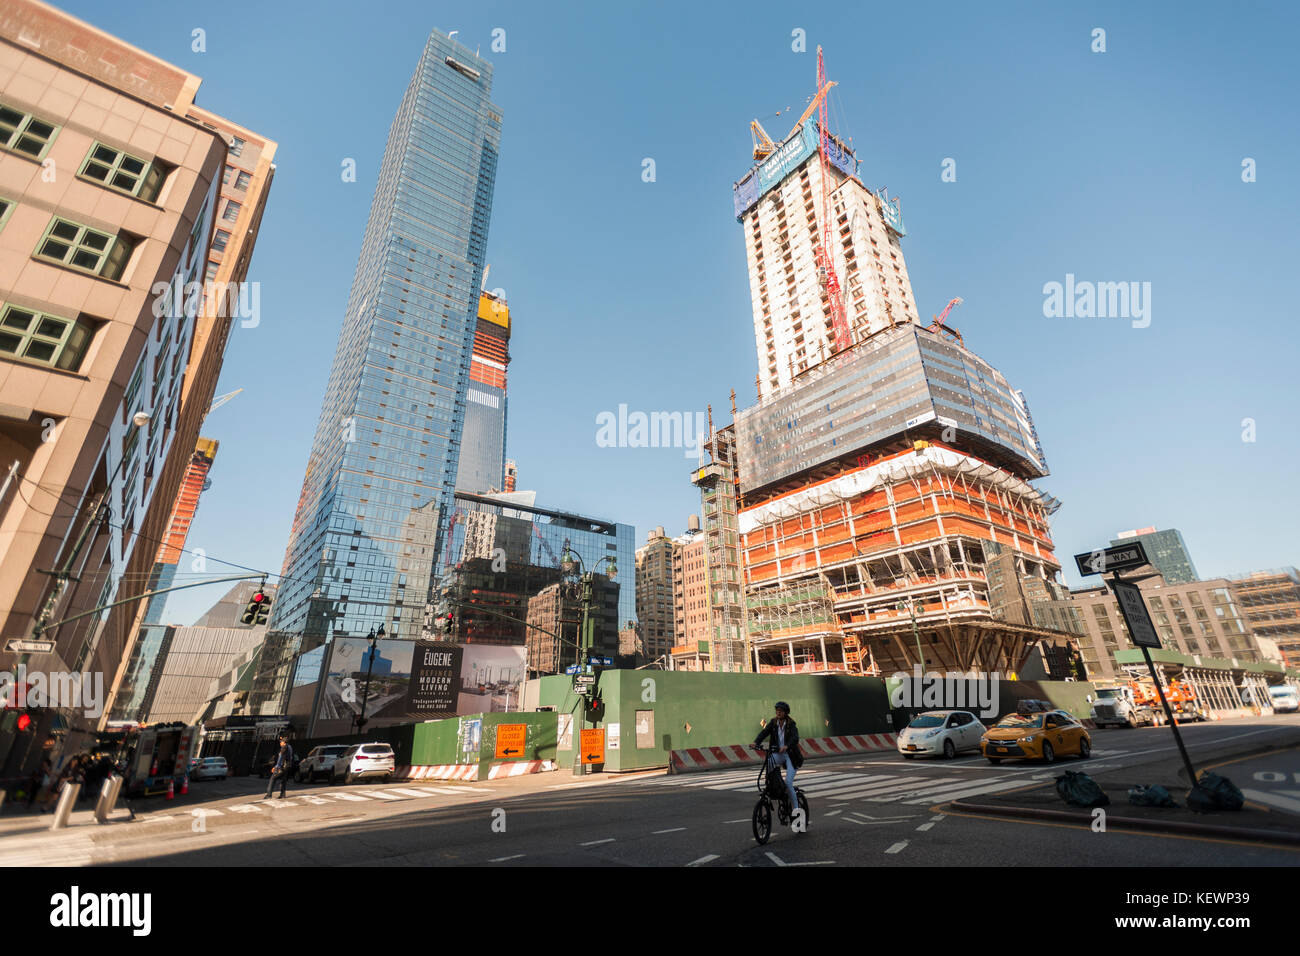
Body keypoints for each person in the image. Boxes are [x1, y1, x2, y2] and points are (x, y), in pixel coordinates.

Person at [753, 701, 803, 815]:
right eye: (777, 711)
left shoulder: (791, 724)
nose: (778, 713)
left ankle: (796, 810)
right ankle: (771, 784)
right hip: (778, 754)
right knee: (769, 760)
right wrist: (756, 742)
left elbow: (795, 738)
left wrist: (787, 746)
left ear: (785, 713)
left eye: (780, 711)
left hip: (790, 756)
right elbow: (764, 732)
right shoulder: (773, 722)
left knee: (788, 783)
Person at [265, 735, 294, 799]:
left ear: (284, 742)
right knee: (283, 780)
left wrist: (276, 767)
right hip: (288, 766)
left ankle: (268, 795)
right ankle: (282, 794)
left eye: (281, 742)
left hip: (282, 766)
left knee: (273, 778)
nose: (280, 743)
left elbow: (281, 758)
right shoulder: (290, 747)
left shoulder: (284, 748)